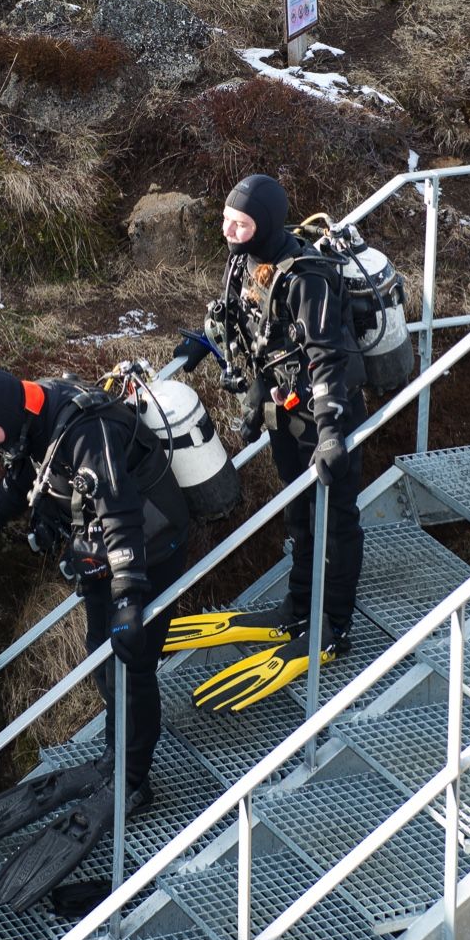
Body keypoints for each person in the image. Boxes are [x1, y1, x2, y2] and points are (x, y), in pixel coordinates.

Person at [0, 366, 188, 912]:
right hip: (105, 560)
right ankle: (115, 753)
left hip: (150, 546)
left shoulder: (88, 429)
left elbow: (120, 512)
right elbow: (23, 475)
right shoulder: (33, 418)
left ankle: (134, 777)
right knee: (101, 659)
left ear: (6, 414)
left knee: (133, 659)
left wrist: (131, 598)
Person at [168, 173, 367, 711]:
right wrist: (257, 397)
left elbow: (327, 356)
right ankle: (300, 606)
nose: (229, 229)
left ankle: (334, 625)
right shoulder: (242, 259)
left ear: (269, 223)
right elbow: (255, 331)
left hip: (325, 419)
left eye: (242, 221)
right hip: (284, 411)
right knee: (299, 517)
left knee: (336, 519)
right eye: (227, 219)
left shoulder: (309, 277)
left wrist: (330, 436)